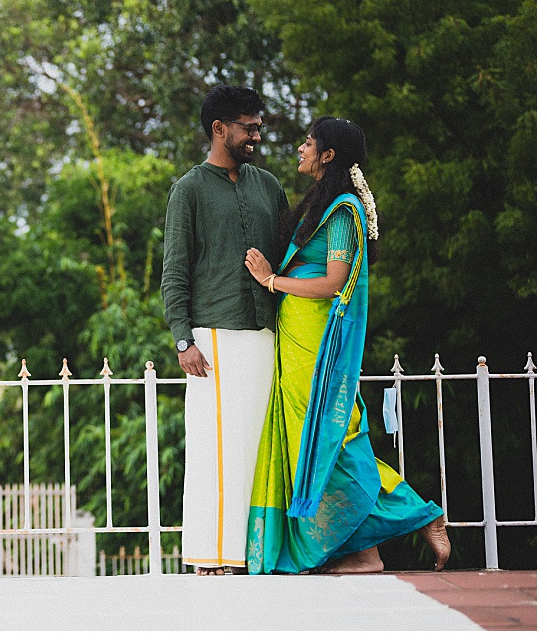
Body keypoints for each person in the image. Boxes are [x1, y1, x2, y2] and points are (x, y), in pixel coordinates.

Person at [243, 116, 450, 574]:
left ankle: (416, 515)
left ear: (329, 155)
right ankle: (368, 551)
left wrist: (270, 280)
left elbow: (335, 282)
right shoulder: (319, 204)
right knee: (317, 443)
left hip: (320, 342)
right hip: (297, 339)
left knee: (333, 438)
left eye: (309, 143)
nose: (301, 148)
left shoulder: (342, 210)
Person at [162, 85, 290, 575]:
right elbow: (174, 270)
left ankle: (256, 552)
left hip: (265, 333)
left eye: (259, 125)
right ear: (220, 129)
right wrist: (183, 339)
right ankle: (210, 556)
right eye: (248, 126)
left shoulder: (268, 185)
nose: (256, 134)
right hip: (211, 337)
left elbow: (287, 259)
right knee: (214, 449)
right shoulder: (188, 189)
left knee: (258, 446)